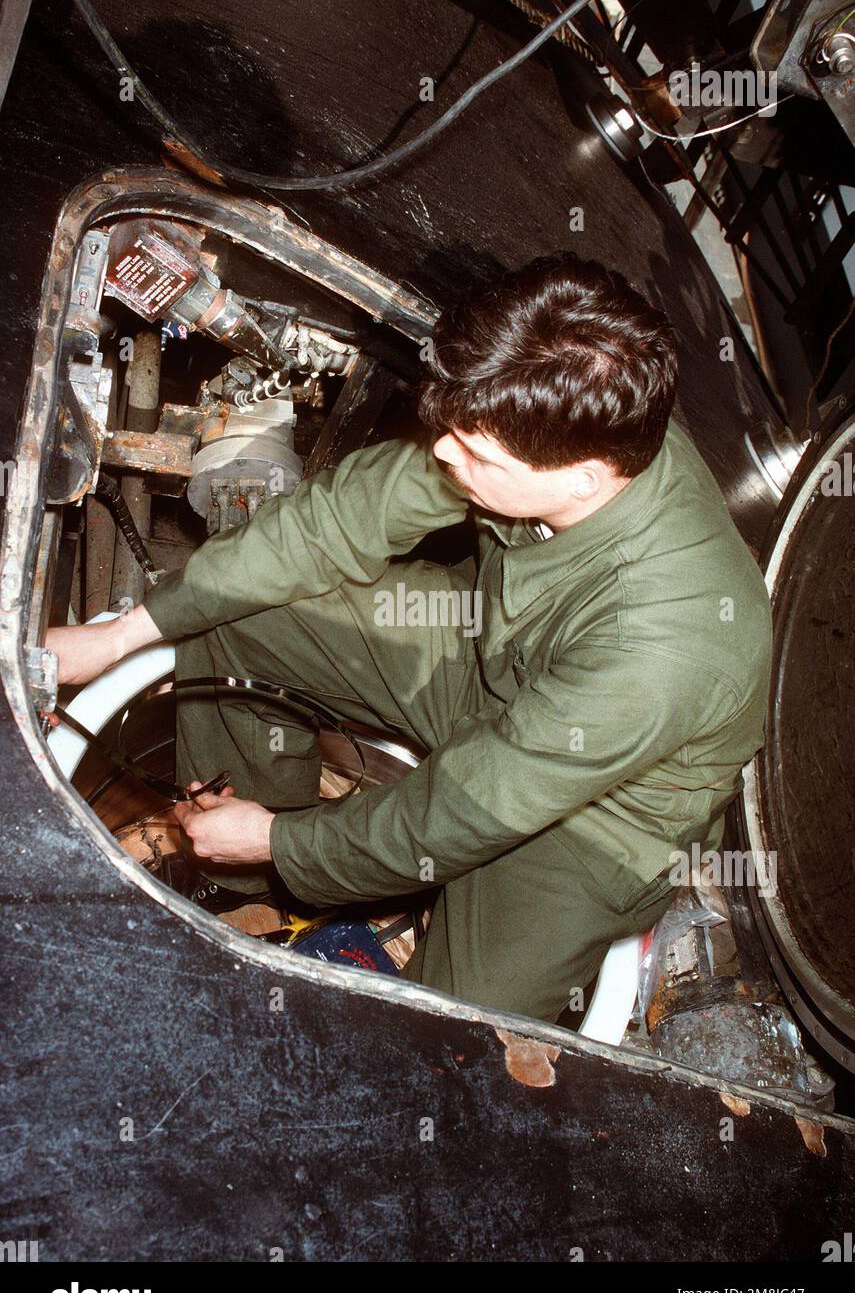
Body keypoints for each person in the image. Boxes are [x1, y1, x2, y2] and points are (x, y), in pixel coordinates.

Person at [46, 252, 773, 1023]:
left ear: (582, 479)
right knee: (237, 616)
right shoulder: (572, 424)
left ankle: (268, 852)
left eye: (475, 455)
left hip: (595, 821)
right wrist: (124, 635)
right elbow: (340, 519)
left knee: (444, 1043)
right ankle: (246, 883)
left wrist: (284, 840)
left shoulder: (666, 646)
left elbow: (463, 808)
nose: (443, 456)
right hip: (490, 660)